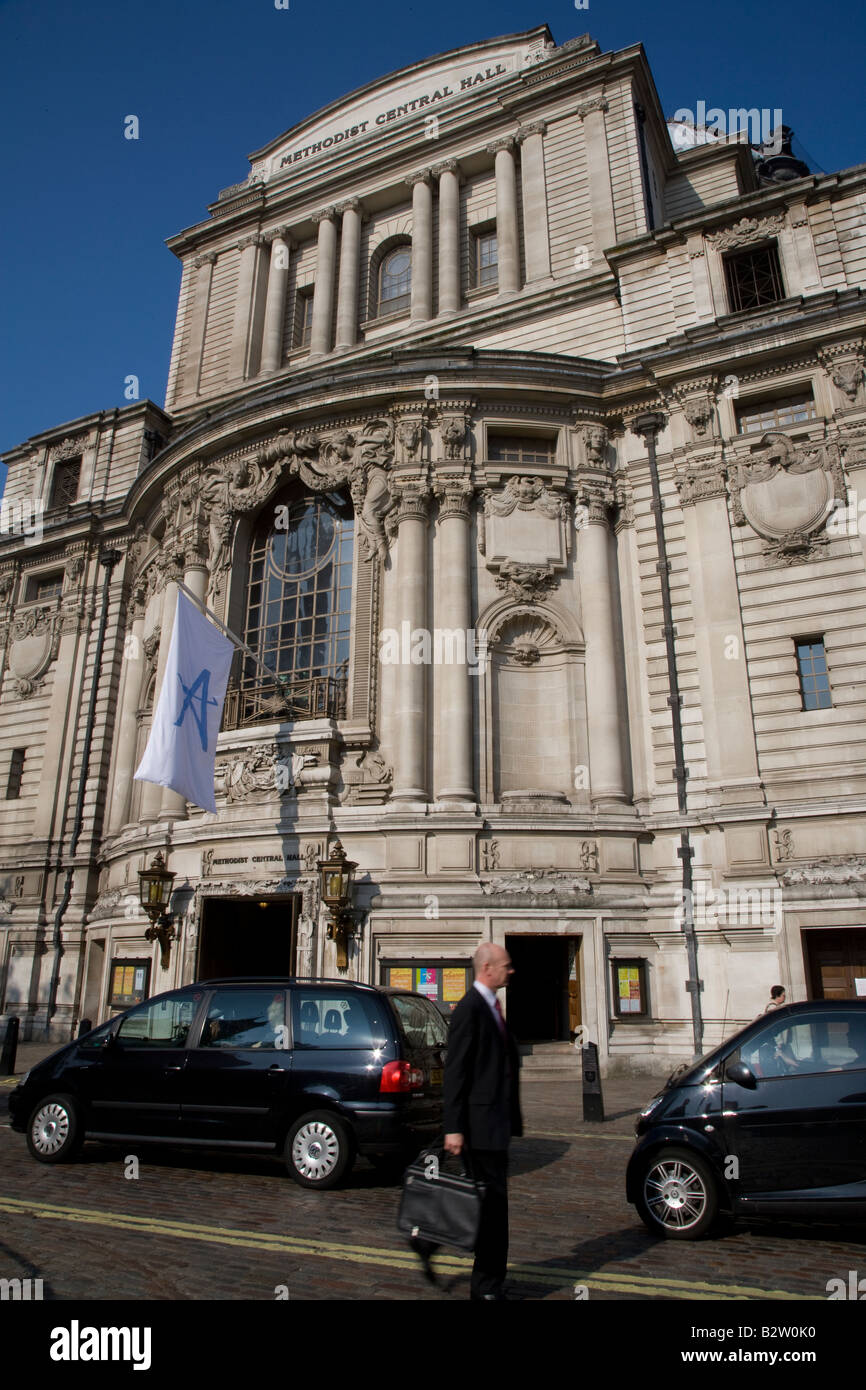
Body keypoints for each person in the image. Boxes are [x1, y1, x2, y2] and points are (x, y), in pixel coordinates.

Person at [442, 942, 522, 1301]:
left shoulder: (492, 1007)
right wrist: (453, 1127)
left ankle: (490, 1281)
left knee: (494, 1209)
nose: (511, 970)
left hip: (495, 1126)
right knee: (490, 1212)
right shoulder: (469, 1009)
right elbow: (456, 1072)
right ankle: (486, 1288)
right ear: (488, 968)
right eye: (506, 965)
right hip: (478, 1128)